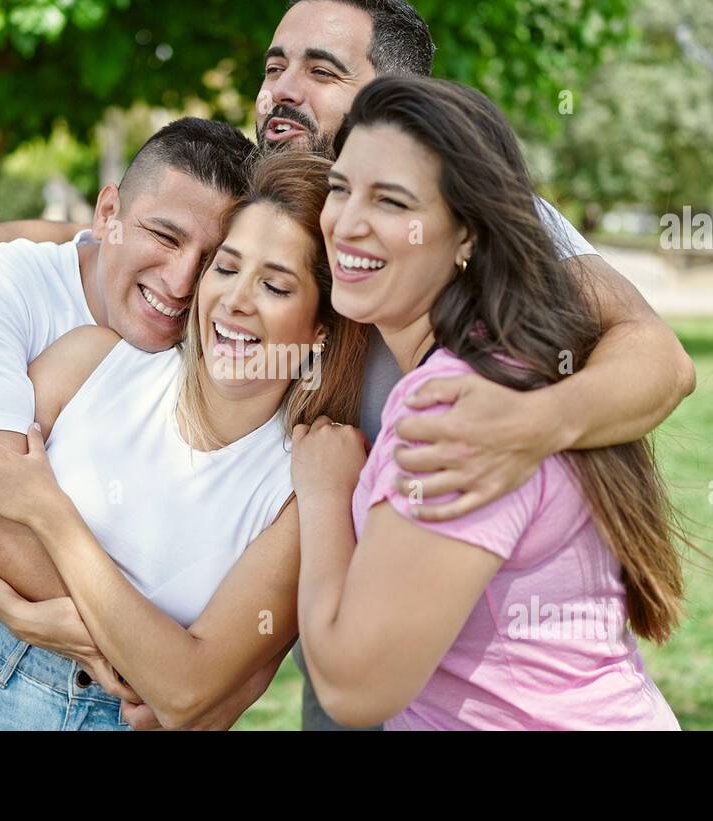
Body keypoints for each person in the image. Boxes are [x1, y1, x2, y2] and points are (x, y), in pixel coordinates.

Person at [0, 0, 696, 731]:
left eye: (322, 70)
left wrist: (528, 424)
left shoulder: (485, 227)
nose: (283, 89)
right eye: (275, 65)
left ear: (400, 101)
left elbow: (659, 358)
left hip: (446, 638)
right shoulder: (277, 198)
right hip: (343, 615)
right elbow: (146, 225)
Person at [0, 118, 296, 730]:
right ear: (109, 211)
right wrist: (157, 658)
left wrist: (202, 677)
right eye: (163, 238)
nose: (179, 282)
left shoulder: (206, 361)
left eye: (210, 259)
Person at [293, 75, 686, 729]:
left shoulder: (453, 406)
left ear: (467, 235)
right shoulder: (522, 353)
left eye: (392, 202)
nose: (348, 223)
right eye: (341, 189)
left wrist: (324, 492)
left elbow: (353, 686)